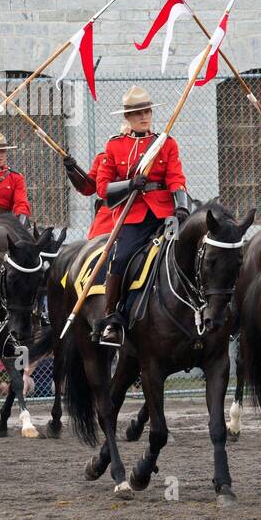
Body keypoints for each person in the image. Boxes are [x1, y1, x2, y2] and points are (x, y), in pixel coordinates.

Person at [92, 86, 189, 347]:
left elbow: (176, 177)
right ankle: (112, 318)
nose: (143, 117)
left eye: (146, 112)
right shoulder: (114, 145)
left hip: (163, 212)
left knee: (189, 252)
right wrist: (128, 185)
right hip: (133, 214)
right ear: (127, 117)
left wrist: (181, 206)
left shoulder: (166, 143)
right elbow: (102, 187)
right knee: (121, 258)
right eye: (137, 114)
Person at [0, 130, 32, 227]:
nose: (0, 155)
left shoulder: (16, 177)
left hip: (3, 223)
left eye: (3, 151)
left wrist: (20, 225)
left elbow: (21, 204)